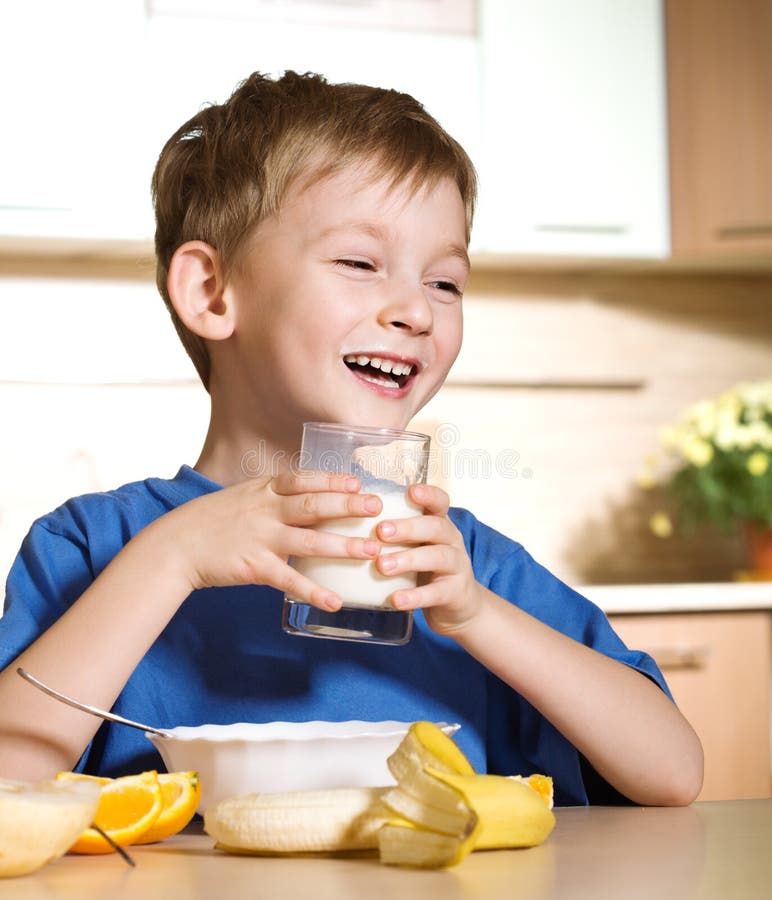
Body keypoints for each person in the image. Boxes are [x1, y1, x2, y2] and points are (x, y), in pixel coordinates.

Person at [0, 71, 702, 806]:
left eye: (446, 283)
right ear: (212, 291)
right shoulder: (93, 545)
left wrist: (477, 617)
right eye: (361, 263)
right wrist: (171, 559)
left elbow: (675, 774)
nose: (416, 312)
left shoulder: (465, 568)